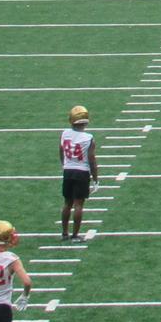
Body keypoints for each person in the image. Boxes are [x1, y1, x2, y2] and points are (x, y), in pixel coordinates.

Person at [59, 104, 98, 242]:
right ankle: (75, 235)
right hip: (82, 172)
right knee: (78, 205)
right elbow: (91, 159)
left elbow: (61, 151)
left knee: (67, 203)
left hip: (68, 170)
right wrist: (95, 178)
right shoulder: (88, 137)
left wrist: (65, 165)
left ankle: (64, 233)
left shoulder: (64, 133)